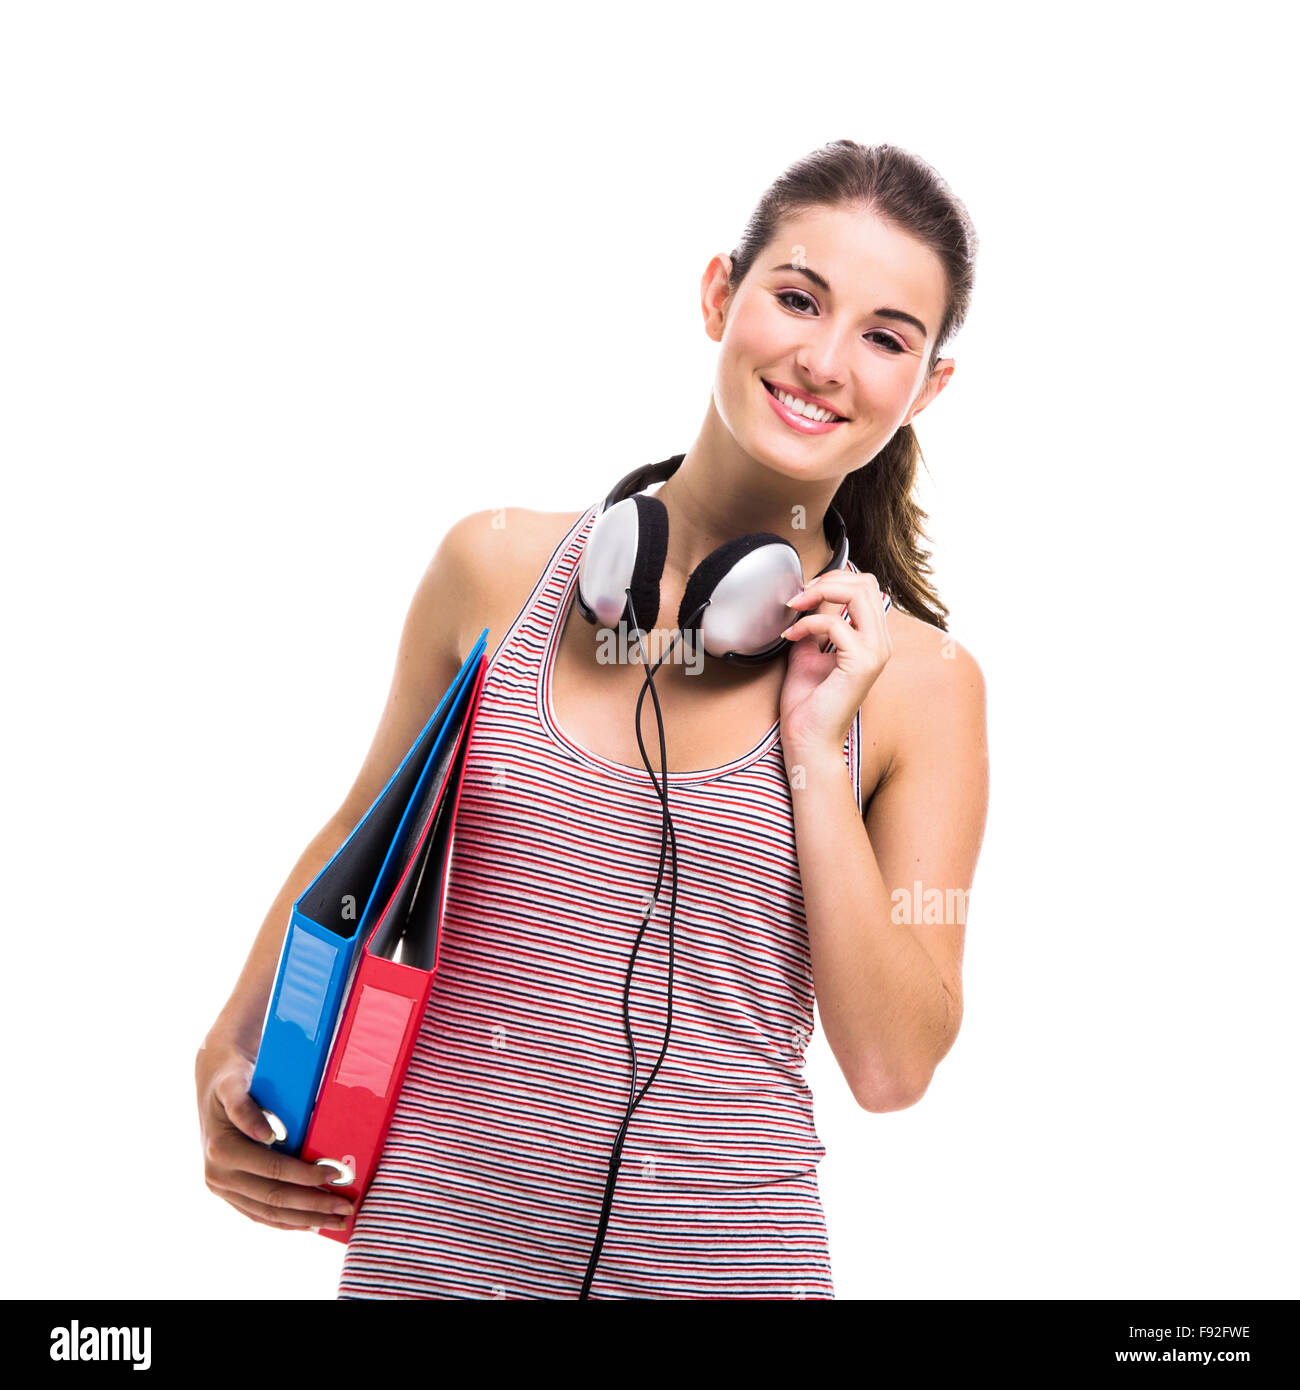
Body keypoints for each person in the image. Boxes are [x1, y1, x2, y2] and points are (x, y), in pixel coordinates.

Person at [195, 138, 989, 1299]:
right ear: (720, 292)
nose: (824, 361)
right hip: (433, 1243)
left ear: (926, 387)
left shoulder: (921, 683)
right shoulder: (497, 567)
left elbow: (892, 1064)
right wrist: (226, 1047)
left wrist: (818, 755)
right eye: (797, 298)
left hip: (727, 1261)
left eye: (883, 335)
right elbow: (357, 836)